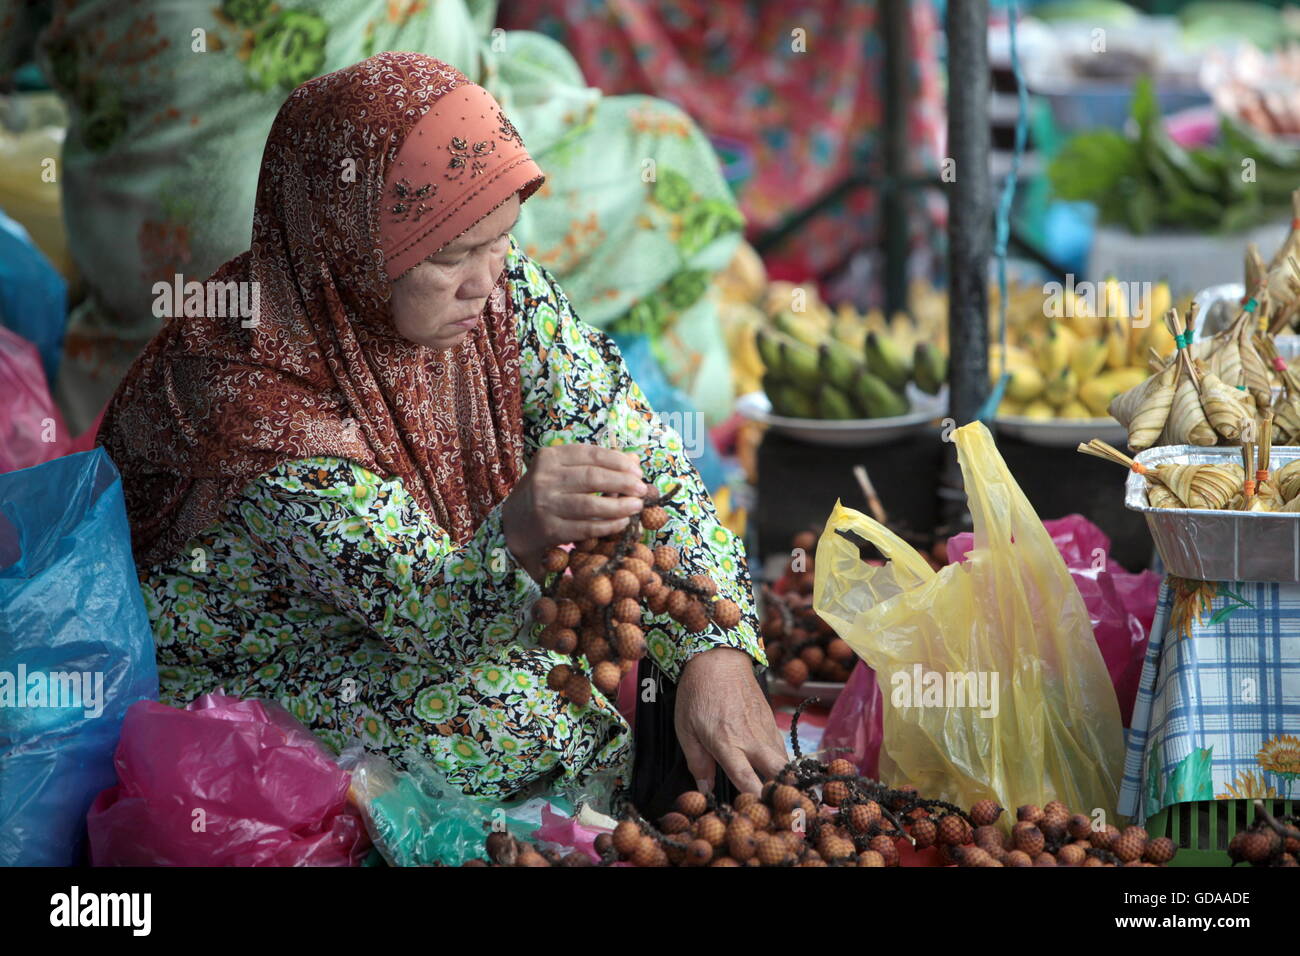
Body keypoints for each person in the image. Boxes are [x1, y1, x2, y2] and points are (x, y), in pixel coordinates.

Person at [98, 52, 785, 808]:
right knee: (522, 716)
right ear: (349, 245)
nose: (487, 279)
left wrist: (715, 652)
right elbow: (422, 612)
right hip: (275, 662)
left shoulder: (495, 287)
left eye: (501, 239)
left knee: (647, 643)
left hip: (427, 614)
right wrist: (518, 531)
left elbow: (638, 451)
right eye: (452, 255)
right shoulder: (254, 406)